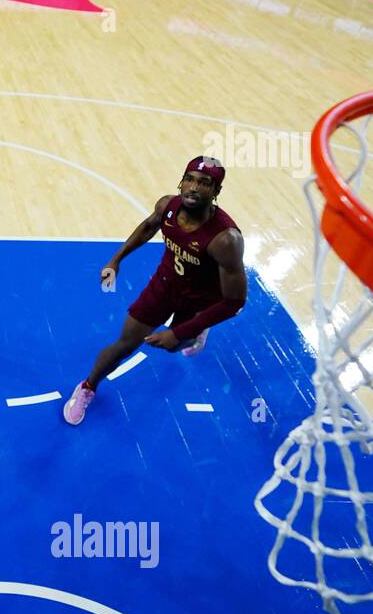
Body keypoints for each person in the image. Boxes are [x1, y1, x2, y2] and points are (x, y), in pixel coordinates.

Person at [63, 156, 247, 426]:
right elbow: (149, 226)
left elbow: (234, 302)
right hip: (164, 285)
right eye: (189, 180)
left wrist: (179, 332)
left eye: (204, 183)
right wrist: (116, 260)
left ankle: (198, 330)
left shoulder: (226, 240)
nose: (194, 188)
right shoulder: (168, 206)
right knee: (125, 343)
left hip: (201, 300)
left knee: (176, 347)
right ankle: (87, 387)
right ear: (181, 182)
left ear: (216, 192)